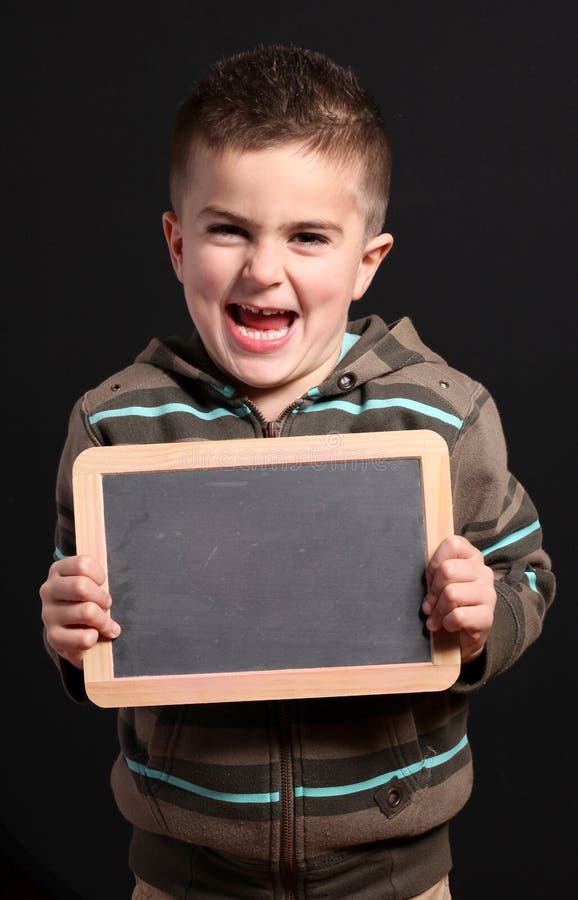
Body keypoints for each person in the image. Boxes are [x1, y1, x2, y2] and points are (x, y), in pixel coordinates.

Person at [39, 43, 555, 900]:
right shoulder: (115, 426)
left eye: (308, 236)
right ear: (176, 242)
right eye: (228, 229)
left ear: (367, 261)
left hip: (394, 870)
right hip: (185, 871)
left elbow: (525, 575)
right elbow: (87, 617)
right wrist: (67, 625)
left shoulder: (442, 411)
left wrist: (482, 615)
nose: (263, 268)